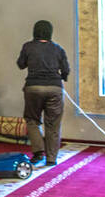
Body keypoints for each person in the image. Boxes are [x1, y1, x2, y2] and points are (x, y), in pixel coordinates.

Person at [17, 20, 69, 166]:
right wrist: (62, 77)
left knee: (32, 120)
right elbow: (66, 70)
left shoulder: (28, 47)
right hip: (55, 88)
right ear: (50, 32)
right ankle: (51, 158)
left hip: (33, 88)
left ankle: (38, 152)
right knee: (53, 124)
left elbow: (21, 64)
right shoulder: (58, 48)